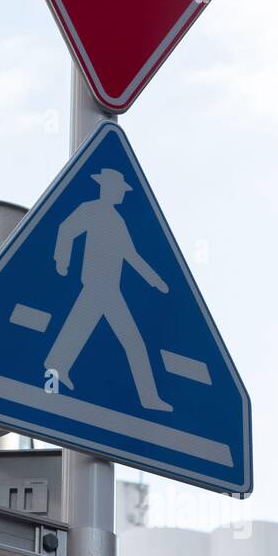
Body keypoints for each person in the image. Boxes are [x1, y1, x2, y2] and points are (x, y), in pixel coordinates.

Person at [44, 167, 172, 412]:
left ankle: (57, 364)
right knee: (132, 341)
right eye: (119, 190)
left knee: (82, 329)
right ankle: (148, 397)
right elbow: (66, 229)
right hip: (97, 283)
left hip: (109, 287)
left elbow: (130, 255)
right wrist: (63, 260)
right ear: (108, 189)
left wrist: (155, 280)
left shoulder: (117, 220)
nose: (122, 194)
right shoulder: (90, 210)